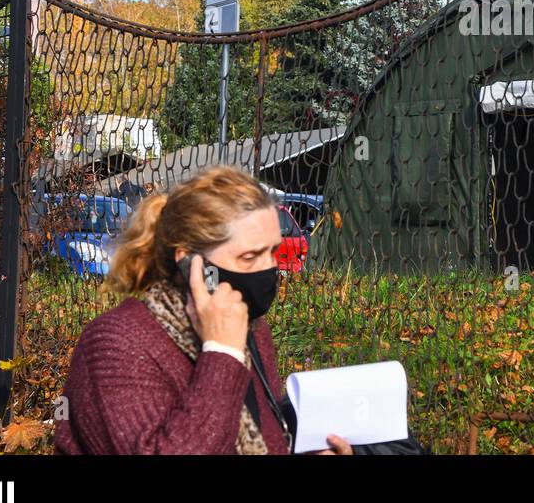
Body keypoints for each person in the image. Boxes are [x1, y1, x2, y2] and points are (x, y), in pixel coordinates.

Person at [54, 165, 351, 455]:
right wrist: (222, 354)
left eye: (272, 252)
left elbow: (264, 441)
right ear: (190, 261)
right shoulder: (117, 343)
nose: (269, 269)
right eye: (250, 257)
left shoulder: (250, 328)